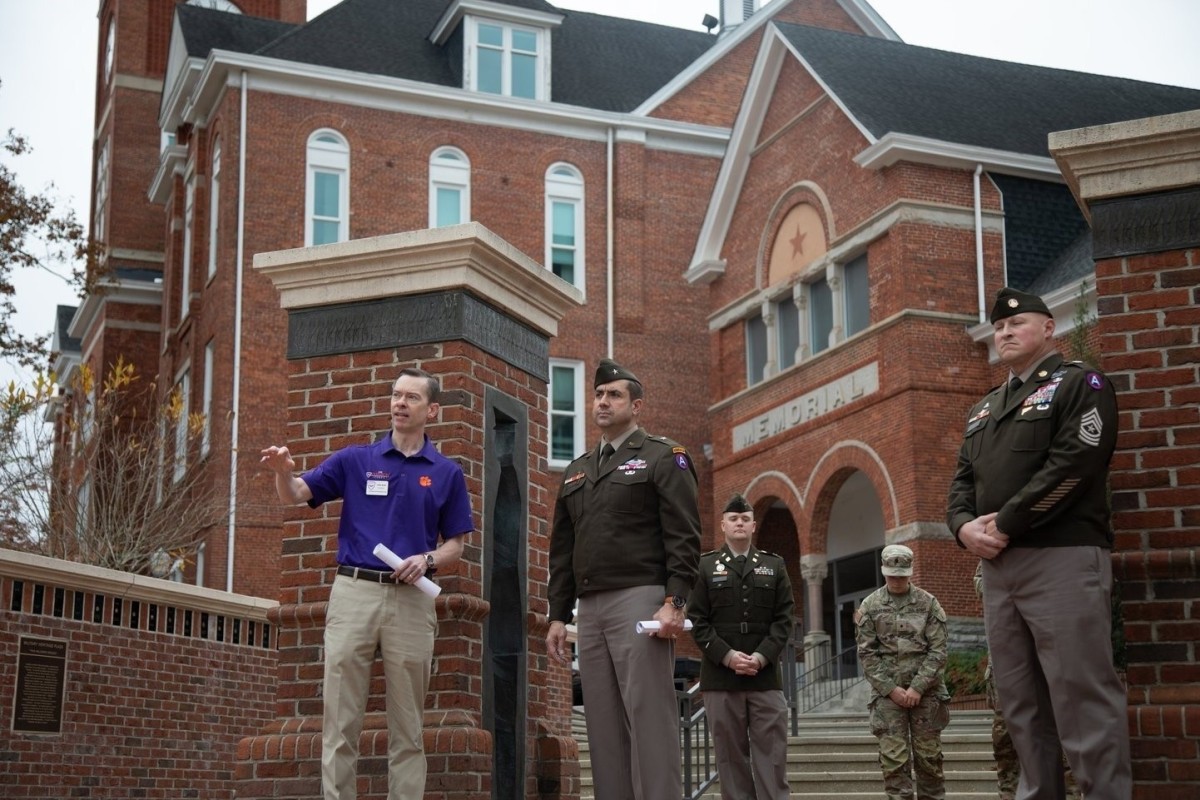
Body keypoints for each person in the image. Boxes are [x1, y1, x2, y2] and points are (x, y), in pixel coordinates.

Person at [947, 286, 1129, 800]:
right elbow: (961, 483)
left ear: (1049, 328)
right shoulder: (984, 409)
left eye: (1016, 323)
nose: (1004, 332)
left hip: (1062, 559)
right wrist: (962, 528)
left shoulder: (1080, 384)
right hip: (999, 569)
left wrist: (1006, 522)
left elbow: (1076, 462)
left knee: (1082, 698)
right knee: (1020, 704)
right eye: (998, 327)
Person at [260, 367, 473, 800]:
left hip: (412, 601)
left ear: (432, 410)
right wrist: (283, 471)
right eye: (396, 395)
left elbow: (457, 545)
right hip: (353, 593)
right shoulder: (356, 460)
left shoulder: (446, 472)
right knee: (340, 723)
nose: (400, 403)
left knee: (408, 728)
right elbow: (295, 494)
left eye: (411, 397)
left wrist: (427, 559)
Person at [546, 357, 702, 800]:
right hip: (590, 610)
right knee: (603, 728)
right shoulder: (577, 470)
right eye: (598, 394)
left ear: (636, 406)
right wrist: (558, 615)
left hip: (641, 600)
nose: (602, 401)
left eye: (614, 395)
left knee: (649, 719)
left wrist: (675, 601)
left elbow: (684, 536)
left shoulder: (663, 456)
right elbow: (562, 552)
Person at [688, 493, 794, 800]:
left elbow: (784, 619)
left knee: (772, 759)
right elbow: (697, 620)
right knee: (730, 760)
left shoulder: (774, 565)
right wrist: (728, 656)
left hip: (764, 678)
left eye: (745, 519)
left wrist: (761, 657)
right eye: (733, 519)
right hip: (721, 679)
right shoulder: (705, 566)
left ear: (753, 526)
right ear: (723, 525)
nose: (739, 523)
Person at [972, 563, 1080, 800]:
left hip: (1054, 661)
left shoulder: (1054, 554)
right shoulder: (997, 555)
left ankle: (1070, 794)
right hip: (1009, 666)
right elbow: (983, 583)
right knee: (1006, 741)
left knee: (1064, 737)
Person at [854, 544, 950, 800]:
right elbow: (867, 653)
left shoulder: (928, 604)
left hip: (927, 694)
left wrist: (917, 687)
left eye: (902, 576)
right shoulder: (870, 605)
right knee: (893, 763)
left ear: (910, 572)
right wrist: (891, 689)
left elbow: (938, 650)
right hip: (888, 697)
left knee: (929, 761)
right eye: (892, 575)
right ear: (883, 571)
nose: (897, 580)